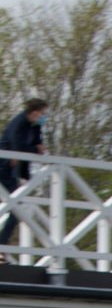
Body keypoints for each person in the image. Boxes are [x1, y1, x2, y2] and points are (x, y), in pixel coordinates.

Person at [0, 98, 47, 247]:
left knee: (16, 208)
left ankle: (2, 244)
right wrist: (36, 150)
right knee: (15, 207)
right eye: (42, 113)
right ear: (34, 113)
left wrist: (38, 146)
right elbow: (18, 147)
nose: (44, 116)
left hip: (11, 171)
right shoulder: (19, 123)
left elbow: (36, 143)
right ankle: (2, 244)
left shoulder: (34, 126)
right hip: (3, 168)